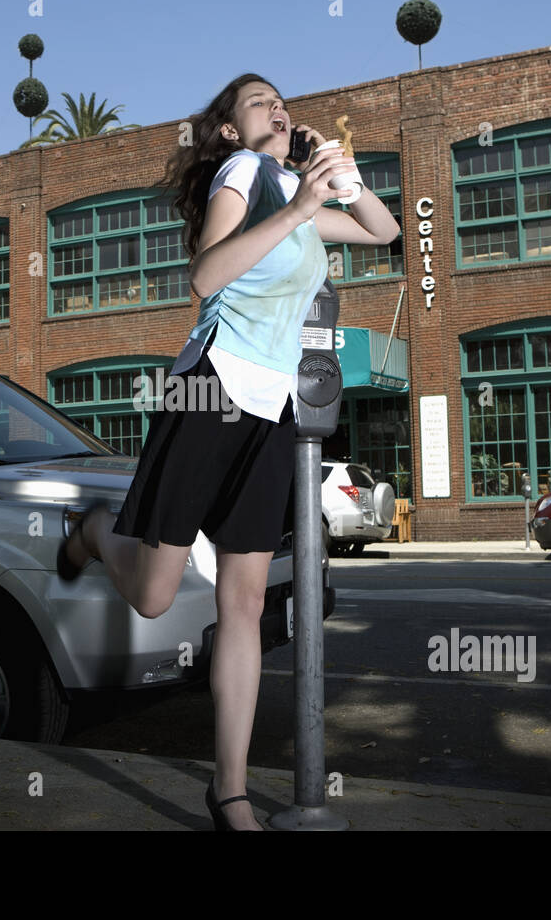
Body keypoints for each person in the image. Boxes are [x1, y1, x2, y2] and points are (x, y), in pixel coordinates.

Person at [59, 73, 399, 830]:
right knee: (152, 595)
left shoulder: (294, 190)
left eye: (281, 99)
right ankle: (92, 532)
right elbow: (206, 275)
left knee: (243, 603)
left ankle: (230, 791)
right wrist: (306, 204)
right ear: (227, 131)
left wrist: (341, 179)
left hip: (275, 405)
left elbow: (382, 231)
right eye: (257, 102)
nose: (277, 107)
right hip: (210, 389)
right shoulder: (241, 173)